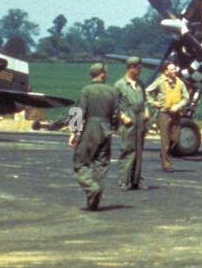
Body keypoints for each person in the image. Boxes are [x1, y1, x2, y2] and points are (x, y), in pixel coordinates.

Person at [71, 62, 119, 211]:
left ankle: (92, 188)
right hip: (106, 130)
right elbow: (117, 114)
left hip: (90, 128)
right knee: (101, 165)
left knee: (80, 163)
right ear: (102, 74)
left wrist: (73, 133)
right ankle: (94, 203)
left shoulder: (86, 90)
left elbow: (78, 111)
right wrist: (113, 128)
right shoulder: (113, 91)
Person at [113, 57, 150, 190]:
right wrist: (122, 116)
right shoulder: (119, 85)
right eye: (139, 67)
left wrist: (147, 111)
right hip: (128, 121)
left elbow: (145, 100)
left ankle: (136, 181)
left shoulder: (140, 84)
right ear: (131, 68)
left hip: (140, 120)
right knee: (128, 150)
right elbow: (114, 105)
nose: (140, 70)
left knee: (139, 151)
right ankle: (123, 181)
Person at [147, 63, 189, 171]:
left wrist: (178, 106)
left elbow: (186, 97)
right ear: (166, 71)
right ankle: (166, 164)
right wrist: (153, 103)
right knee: (165, 140)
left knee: (175, 139)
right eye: (172, 69)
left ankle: (164, 153)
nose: (175, 71)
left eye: (175, 69)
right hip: (164, 114)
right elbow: (147, 92)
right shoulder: (159, 81)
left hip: (176, 114)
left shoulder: (179, 82)